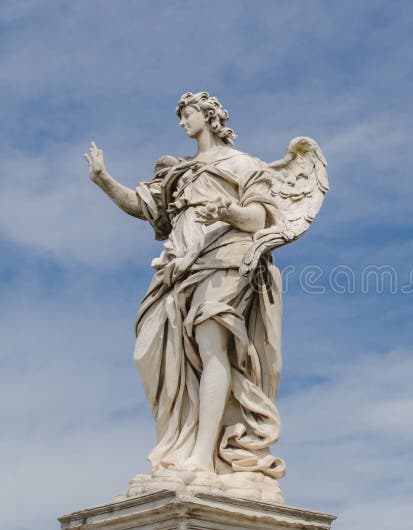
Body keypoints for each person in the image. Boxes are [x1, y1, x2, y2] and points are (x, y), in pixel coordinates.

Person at [85, 92, 286, 483]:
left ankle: (202, 457)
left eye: (188, 113)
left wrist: (227, 211)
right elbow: (143, 207)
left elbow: (260, 218)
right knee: (153, 349)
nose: (182, 122)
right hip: (177, 266)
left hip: (225, 257)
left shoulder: (245, 165)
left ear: (209, 117)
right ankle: (181, 445)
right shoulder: (179, 172)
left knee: (213, 347)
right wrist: (104, 180)